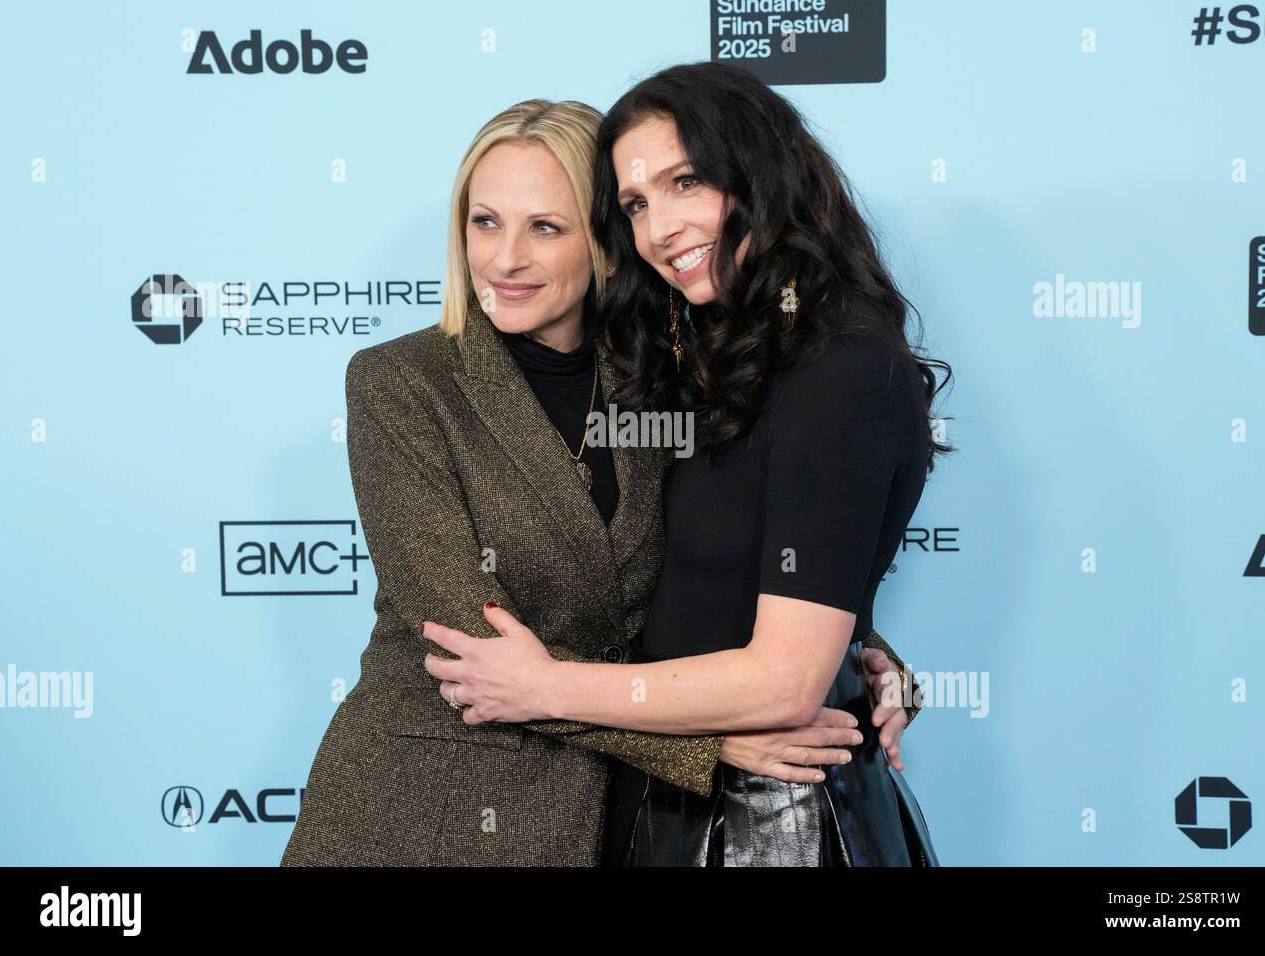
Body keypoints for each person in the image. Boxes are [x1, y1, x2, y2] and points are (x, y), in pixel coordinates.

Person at [281, 97, 922, 866]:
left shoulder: (670, 376)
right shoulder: (402, 385)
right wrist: (714, 743)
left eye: (544, 228)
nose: (504, 259)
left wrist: (853, 659)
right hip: (429, 805)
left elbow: (721, 552)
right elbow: (479, 659)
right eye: (484, 222)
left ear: (603, 242)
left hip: (609, 820)